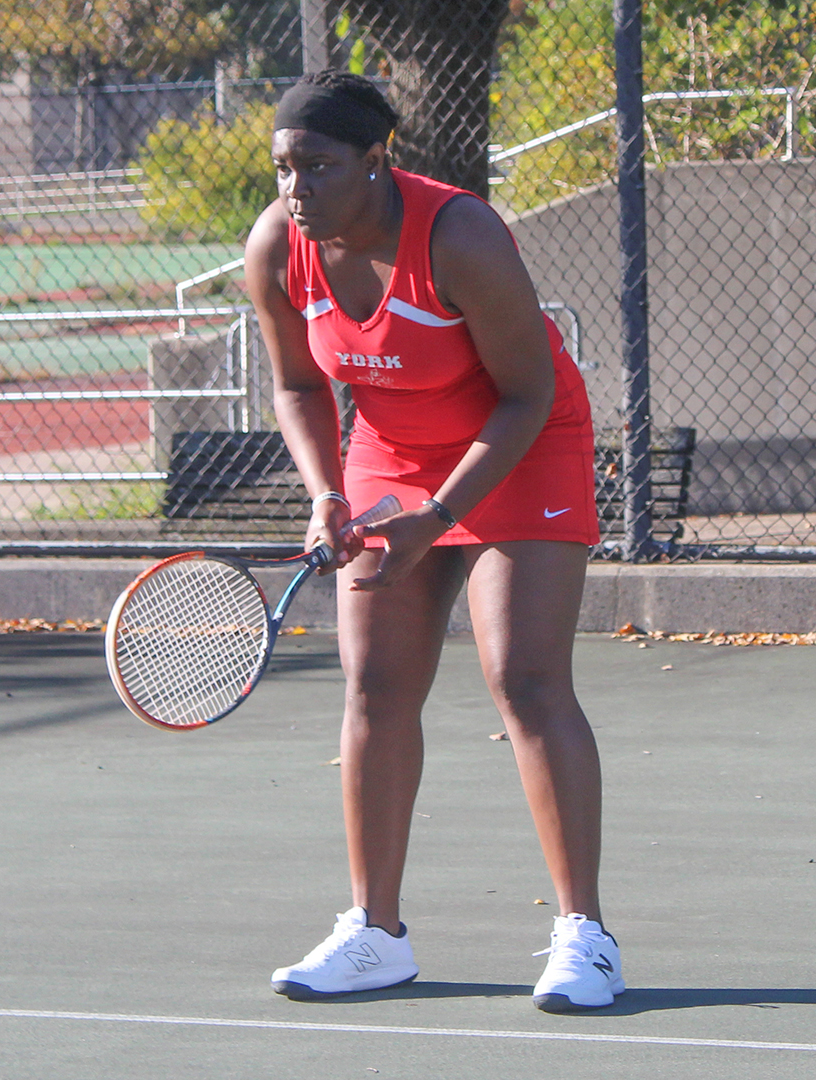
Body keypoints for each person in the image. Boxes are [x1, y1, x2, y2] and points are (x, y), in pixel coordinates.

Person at [243, 70, 620, 1014]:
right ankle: (376, 934)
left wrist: (441, 519)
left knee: (524, 677)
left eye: (319, 167)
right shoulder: (278, 245)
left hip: (521, 441)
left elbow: (529, 393)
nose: (298, 190)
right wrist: (327, 493)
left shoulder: (461, 236)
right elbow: (297, 386)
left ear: (379, 161)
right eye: (285, 169)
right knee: (373, 683)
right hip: (389, 452)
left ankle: (586, 937)